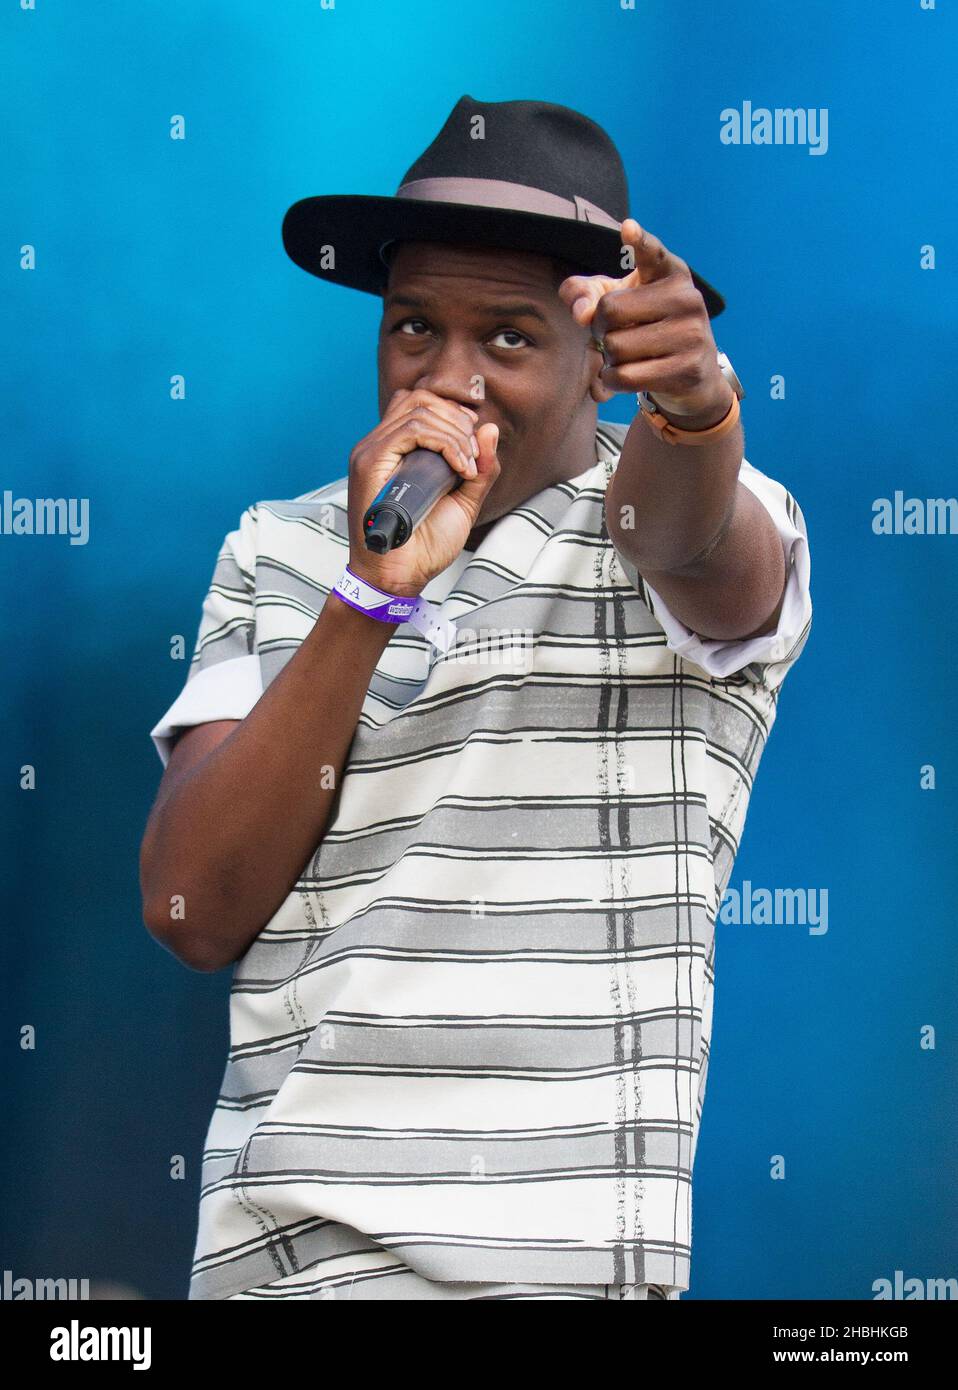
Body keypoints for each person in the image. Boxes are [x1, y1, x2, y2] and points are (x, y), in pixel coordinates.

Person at [140, 96, 812, 1302]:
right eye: (413, 328)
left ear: (602, 359)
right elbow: (192, 908)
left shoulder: (692, 514)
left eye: (508, 337)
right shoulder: (282, 548)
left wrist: (697, 410)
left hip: (558, 1273)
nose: (448, 378)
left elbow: (686, 534)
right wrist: (366, 594)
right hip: (288, 1266)